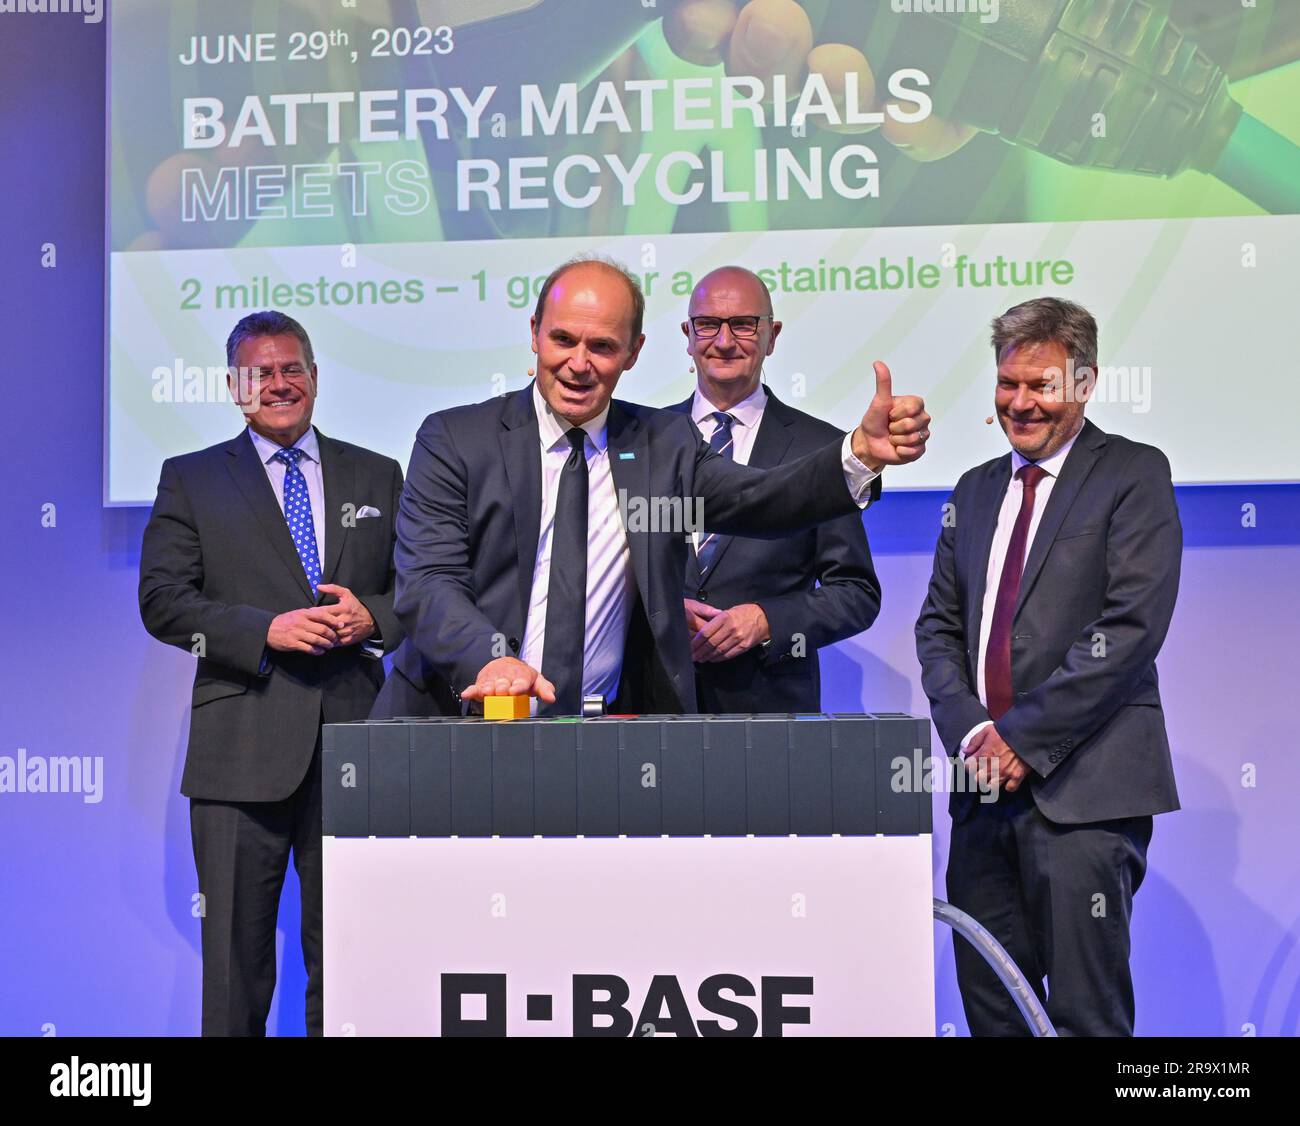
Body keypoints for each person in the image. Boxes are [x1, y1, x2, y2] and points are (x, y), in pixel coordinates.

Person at [372, 255, 927, 718]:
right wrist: (490, 659)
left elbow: (761, 499)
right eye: (563, 339)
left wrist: (855, 457)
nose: (579, 364)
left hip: (605, 740)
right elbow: (428, 581)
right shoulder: (454, 438)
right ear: (534, 334)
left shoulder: (661, 443)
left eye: (603, 347)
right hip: (456, 726)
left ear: (634, 353)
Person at [914, 297, 1181, 1037]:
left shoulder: (1133, 474)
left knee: (1086, 1017)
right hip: (982, 799)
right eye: (1007, 384)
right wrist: (973, 736)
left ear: (1086, 383)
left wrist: (1022, 742)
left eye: (1042, 386)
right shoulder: (971, 490)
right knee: (993, 1012)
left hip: (1085, 800)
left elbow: (1129, 631)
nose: (1020, 403)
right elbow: (938, 628)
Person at [138, 311, 404, 1036]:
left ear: (315, 379)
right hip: (239, 752)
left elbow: (418, 590)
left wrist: (372, 617)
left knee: (350, 957)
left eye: (293, 369)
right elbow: (162, 603)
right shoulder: (190, 480)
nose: (279, 384)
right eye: (260, 373)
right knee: (235, 968)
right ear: (234, 387)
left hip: (354, 746)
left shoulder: (378, 472)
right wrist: (266, 629)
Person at [668, 266, 880, 712]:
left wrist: (767, 621)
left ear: (772, 335)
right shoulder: (644, 441)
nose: (724, 342)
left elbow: (856, 593)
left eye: (744, 324)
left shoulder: (822, 449)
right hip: (658, 705)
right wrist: (664, 614)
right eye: (708, 325)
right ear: (688, 335)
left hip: (771, 715)